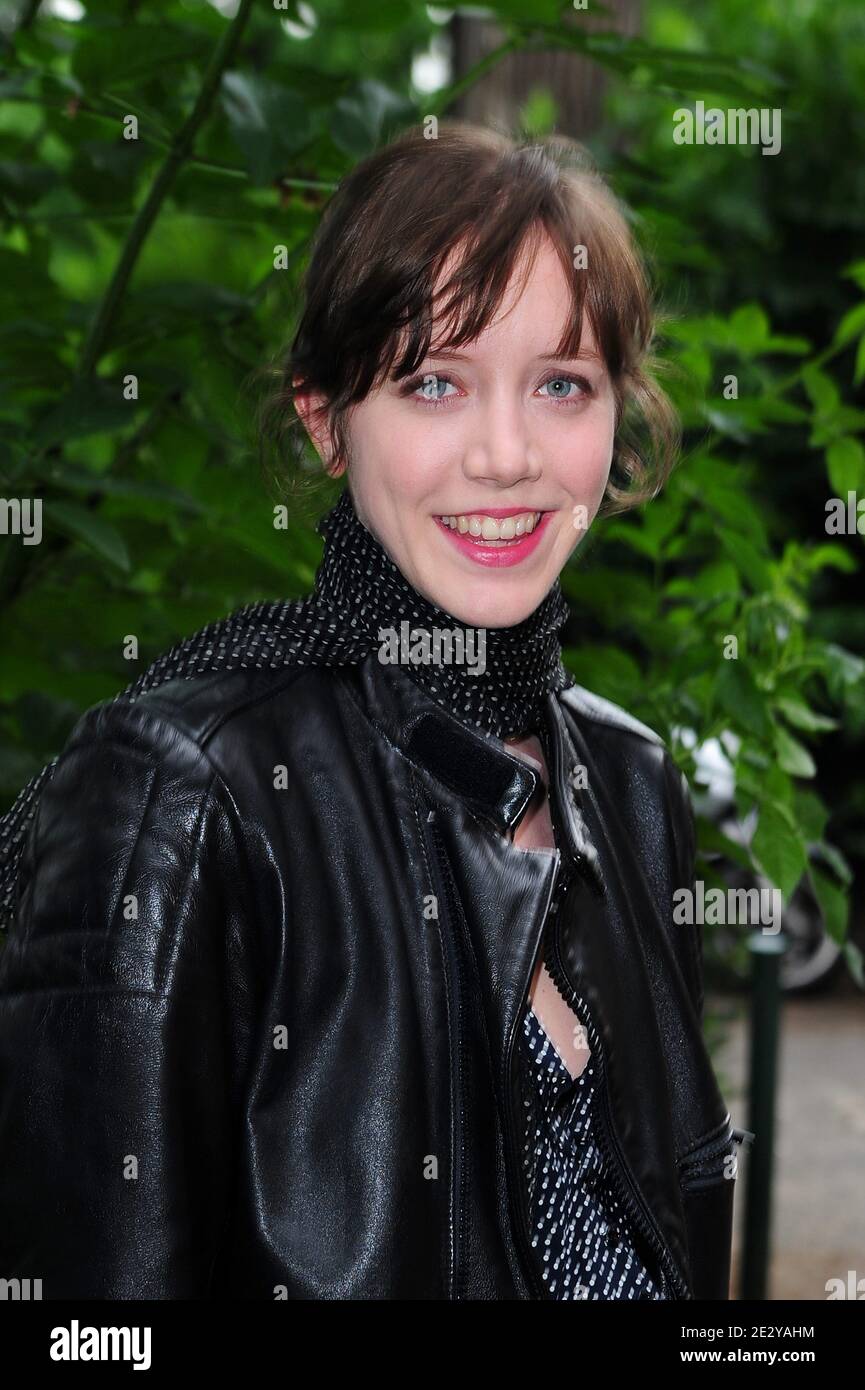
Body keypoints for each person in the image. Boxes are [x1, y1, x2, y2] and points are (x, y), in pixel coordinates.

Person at [0, 121, 738, 1300]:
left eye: (561, 384)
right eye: (433, 382)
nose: (505, 454)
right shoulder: (181, 792)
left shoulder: (631, 783)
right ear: (324, 417)